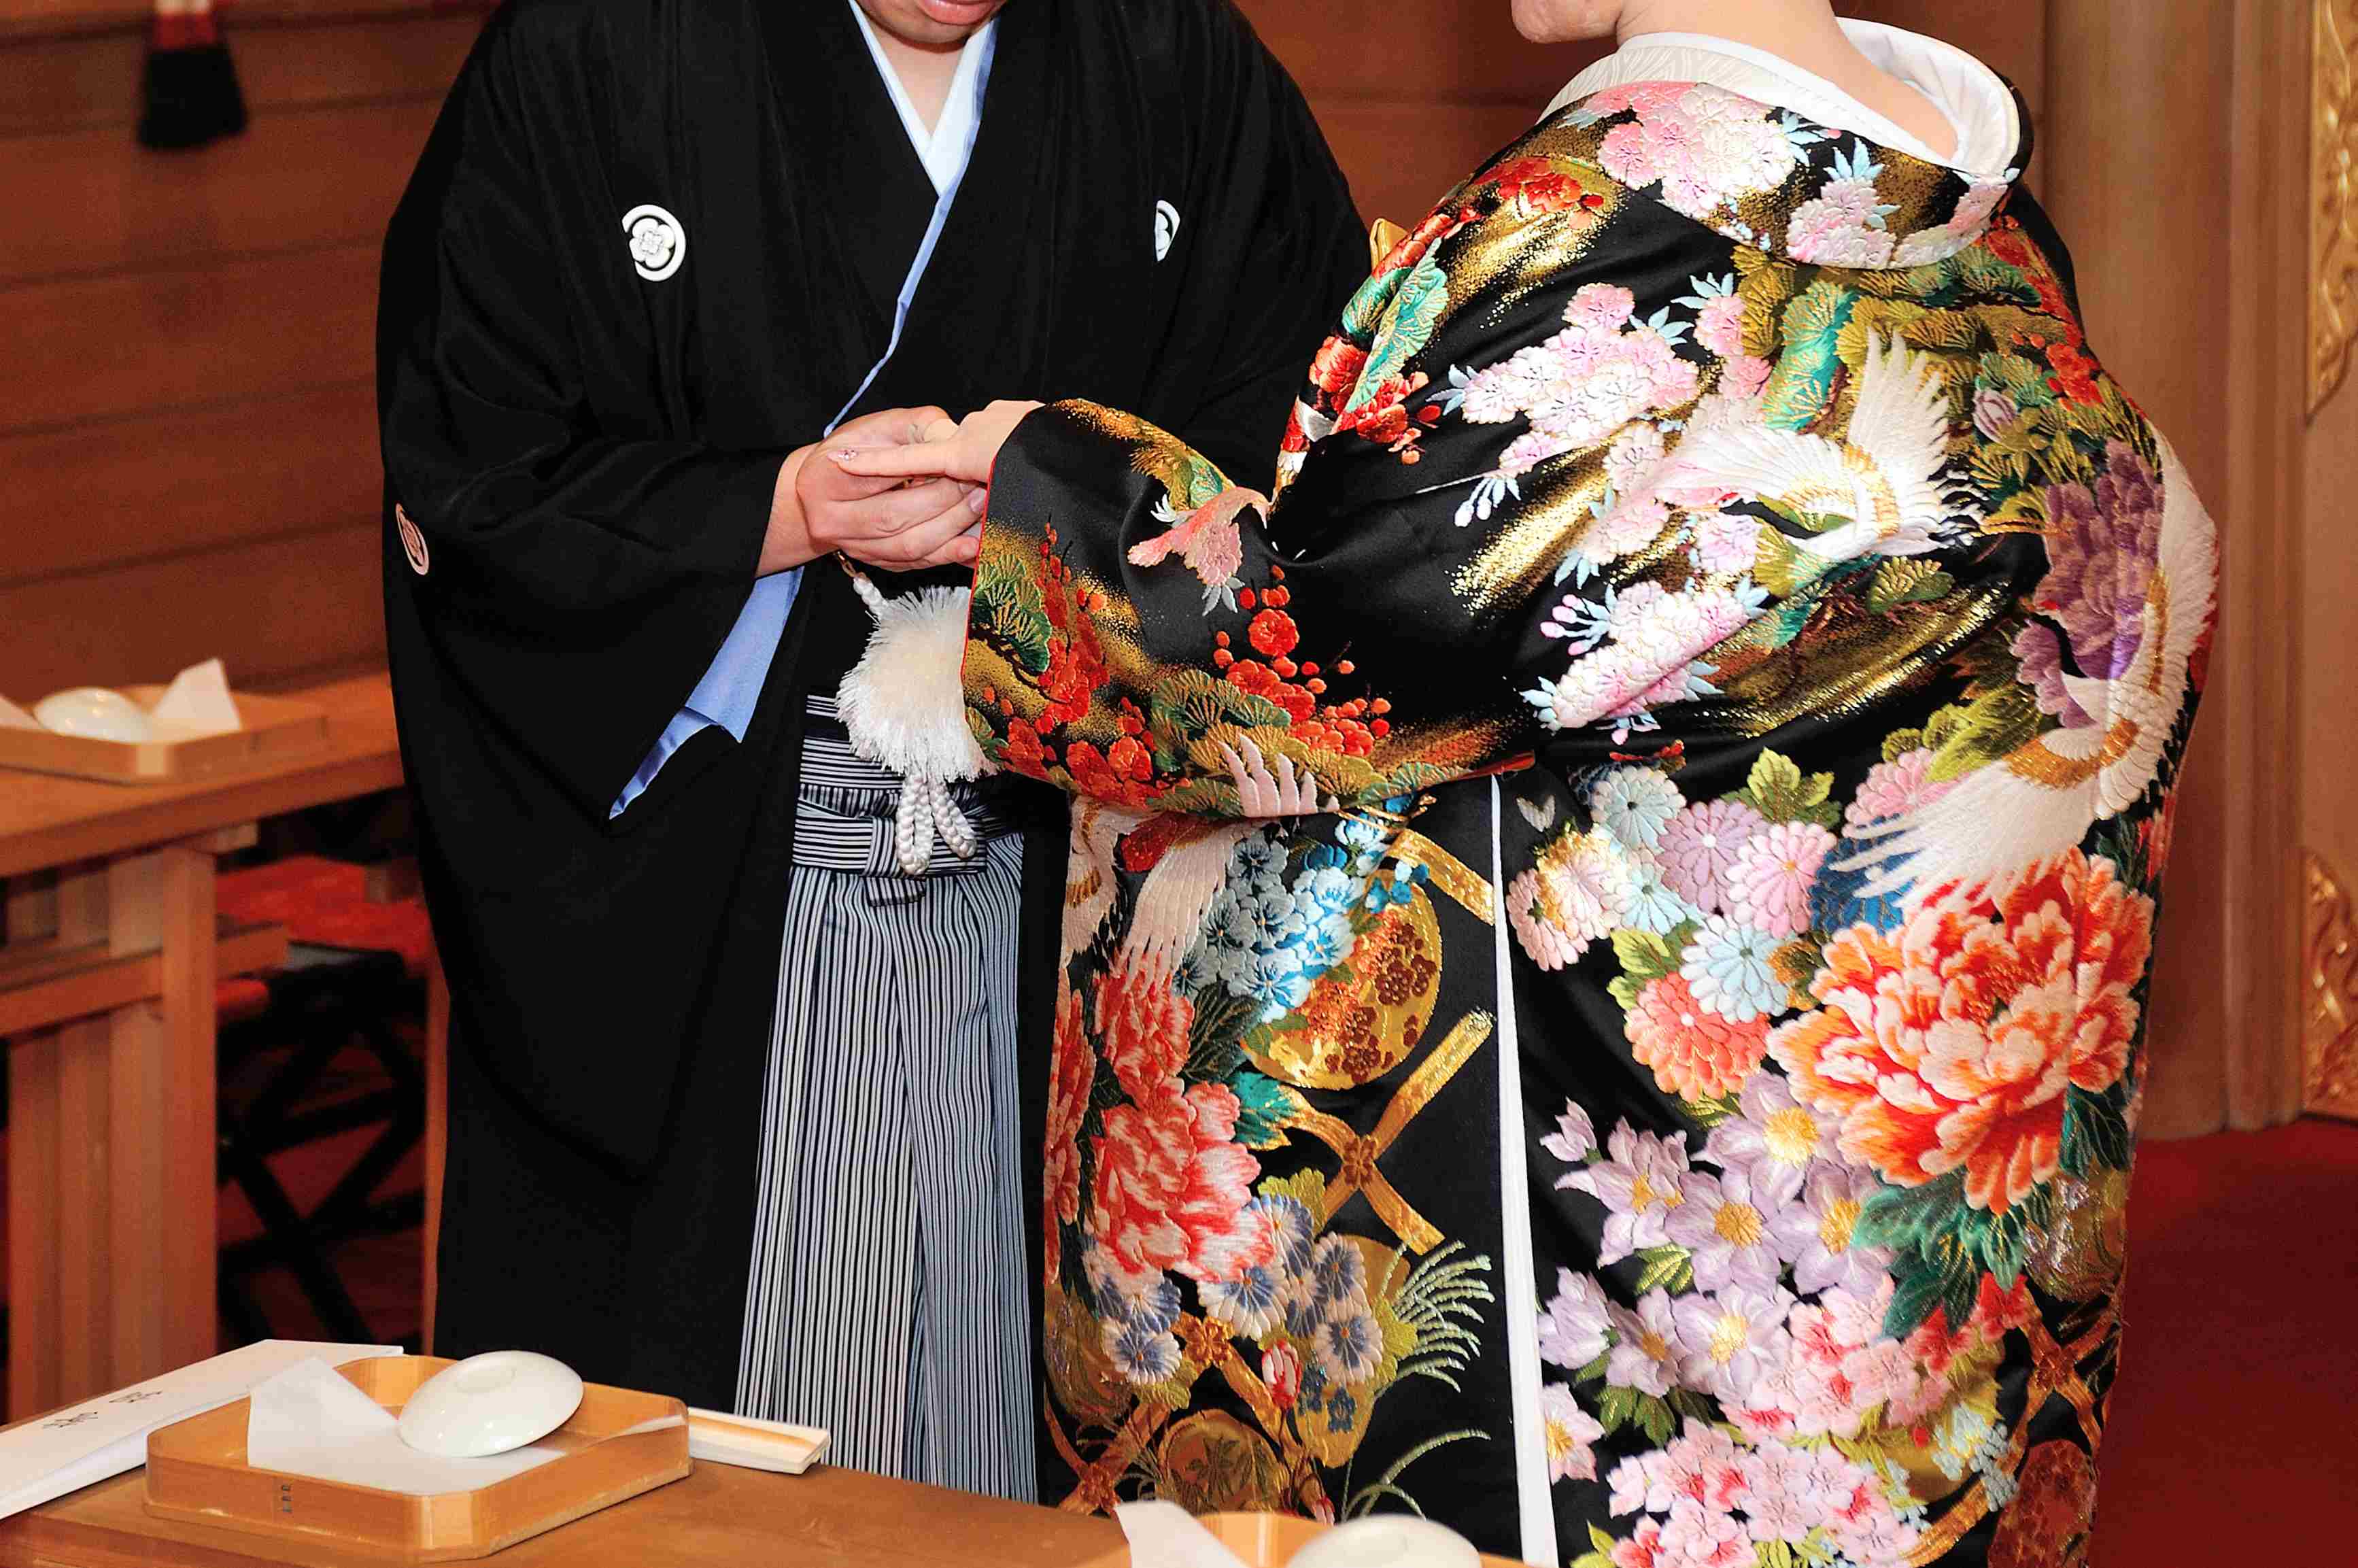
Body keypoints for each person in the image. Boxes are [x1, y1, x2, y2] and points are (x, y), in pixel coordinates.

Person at [834, 0, 2217, 1557]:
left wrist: (1049, 482)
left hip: (1640, 1297)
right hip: (1894, 1279)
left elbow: (1320, 665)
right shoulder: (1980, 212)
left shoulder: (1608, 234)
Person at [375, 0, 1364, 1498]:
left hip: (1057, 897)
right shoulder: (602, 50)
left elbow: (1307, 452)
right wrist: (782, 509)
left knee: (997, 1452)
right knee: (747, 1475)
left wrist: (1068, 512)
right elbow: (473, 468)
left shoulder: (1169, 57)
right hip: (726, 891)